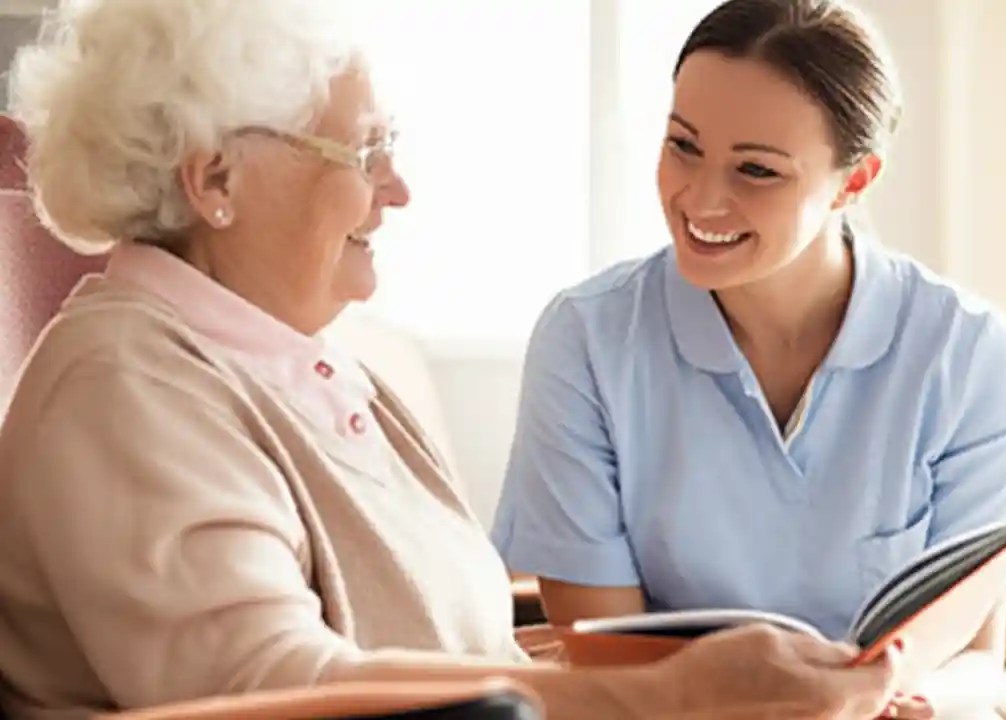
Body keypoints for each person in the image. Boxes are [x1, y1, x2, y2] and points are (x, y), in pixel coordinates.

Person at [0, 1, 907, 718]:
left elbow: (472, 660)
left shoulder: (313, 364)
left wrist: (732, 675)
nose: (397, 188)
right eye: (365, 150)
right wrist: (666, 699)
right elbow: (264, 691)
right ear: (216, 181)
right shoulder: (125, 384)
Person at [491, 0, 1006, 717]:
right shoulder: (587, 340)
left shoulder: (969, 354)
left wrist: (895, 703)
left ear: (853, 181)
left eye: (756, 170)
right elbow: (606, 659)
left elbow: (976, 658)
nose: (700, 198)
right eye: (683, 146)